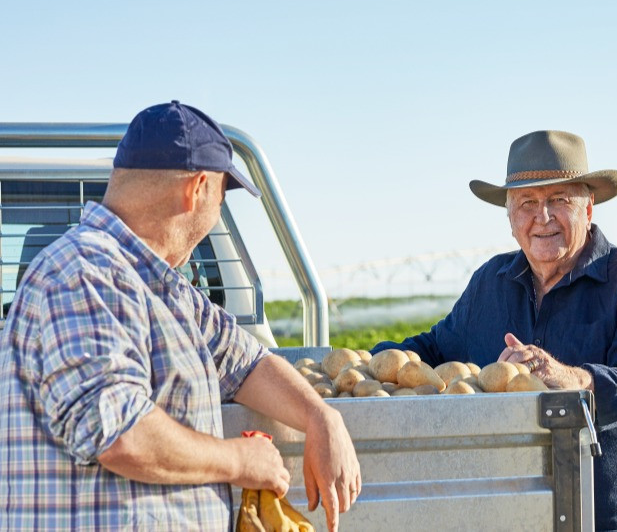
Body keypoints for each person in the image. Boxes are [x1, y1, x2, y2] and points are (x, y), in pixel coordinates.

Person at [0, 101, 360, 531]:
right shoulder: (82, 274)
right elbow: (120, 434)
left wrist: (322, 418)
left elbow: (246, 362)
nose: (218, 212)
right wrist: (238, 460)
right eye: (222, 197)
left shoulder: (162, 288)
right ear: (198, 188)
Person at [373, 130, 617, 531]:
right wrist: (365, 365)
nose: (542, 218)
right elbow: (432, 349)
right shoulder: (490, 282)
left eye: (558, 201)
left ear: (588, 210)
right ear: (511, 219)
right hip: (513, 511)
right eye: (527, 203)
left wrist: (567, 378)